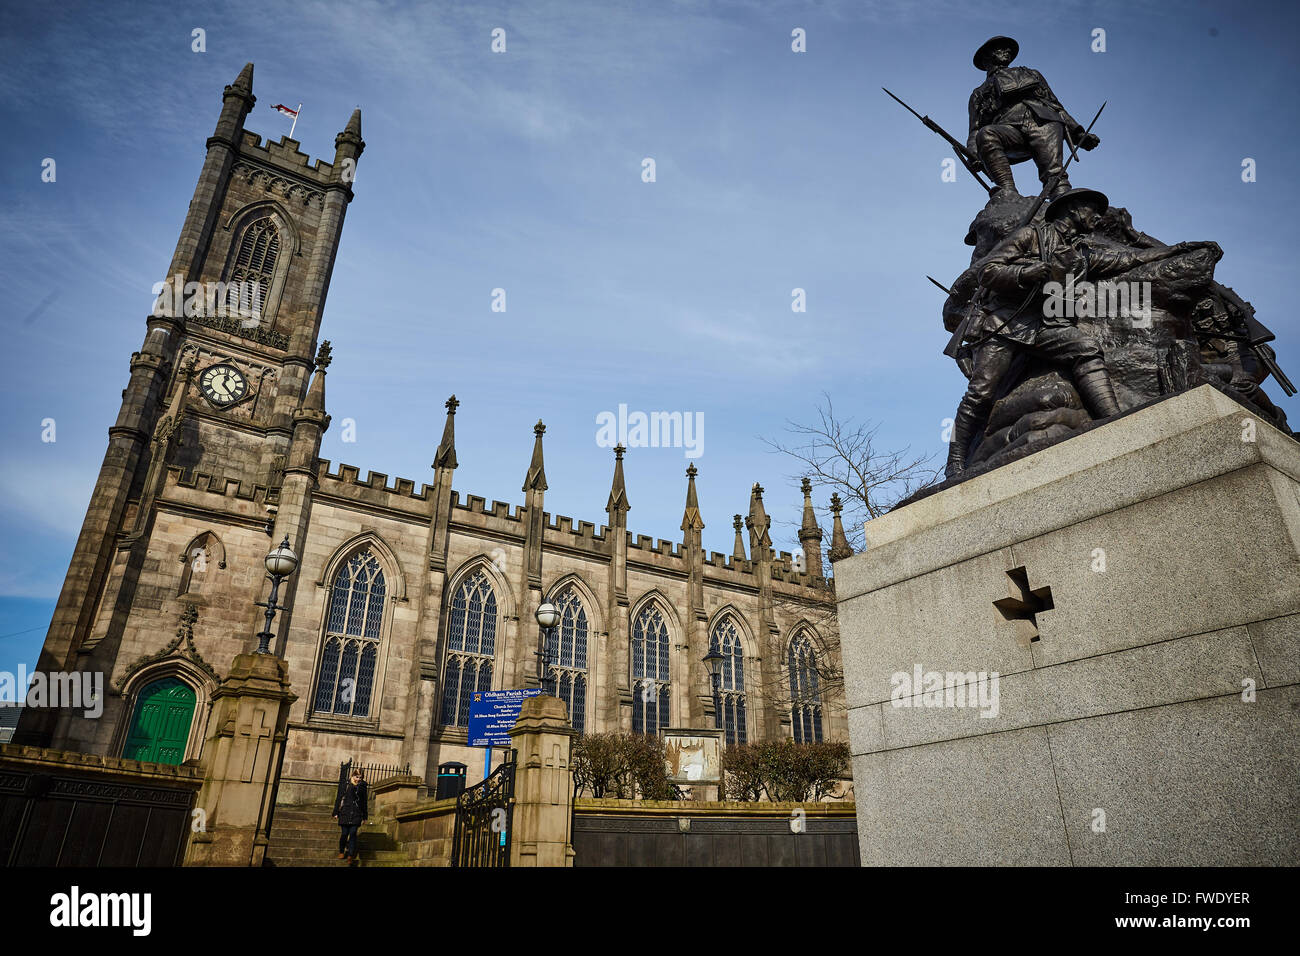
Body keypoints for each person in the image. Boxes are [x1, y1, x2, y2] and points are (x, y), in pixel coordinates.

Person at [946, 187, 1209, 477]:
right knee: (981, 392)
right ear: (1072, 211)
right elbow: (988, 271)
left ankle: (1114, 419)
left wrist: (1175, 249)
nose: (1096, 217)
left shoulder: (1081, 253)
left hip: (1048, 325)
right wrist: (1024, 274)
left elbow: (1126, 261)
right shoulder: (1029, 236)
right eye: (1090, 210)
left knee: (1086, 348)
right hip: (1007, 325)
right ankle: (955, 461)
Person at [966, 36, 1099, 198]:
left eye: (1008, 49)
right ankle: (1007, 192)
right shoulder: (978, 93)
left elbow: (1056, 105)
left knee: (1055, 178)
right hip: (1009, 131)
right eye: (1000, 48)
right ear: (987, 56)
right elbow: (975, 129)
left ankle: (1063, 205)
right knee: (986, 134)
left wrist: (1078, 134)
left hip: (1044, 122)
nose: (1007, 51)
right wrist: (973, 153)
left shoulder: (1030, 73)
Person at [333, 767, 367, 864]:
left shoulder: (363, 786)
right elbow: (339, 798)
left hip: (356, 813)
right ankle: (341, 851)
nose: (358, 779)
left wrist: (365, 816)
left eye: (360, 777)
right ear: (353, 776)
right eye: (357, 777)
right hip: (345, 812)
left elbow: (364, 802)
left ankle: (350, 855)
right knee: (344, 834)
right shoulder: (346, 784)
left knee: (352, 834)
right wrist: (336, 812)